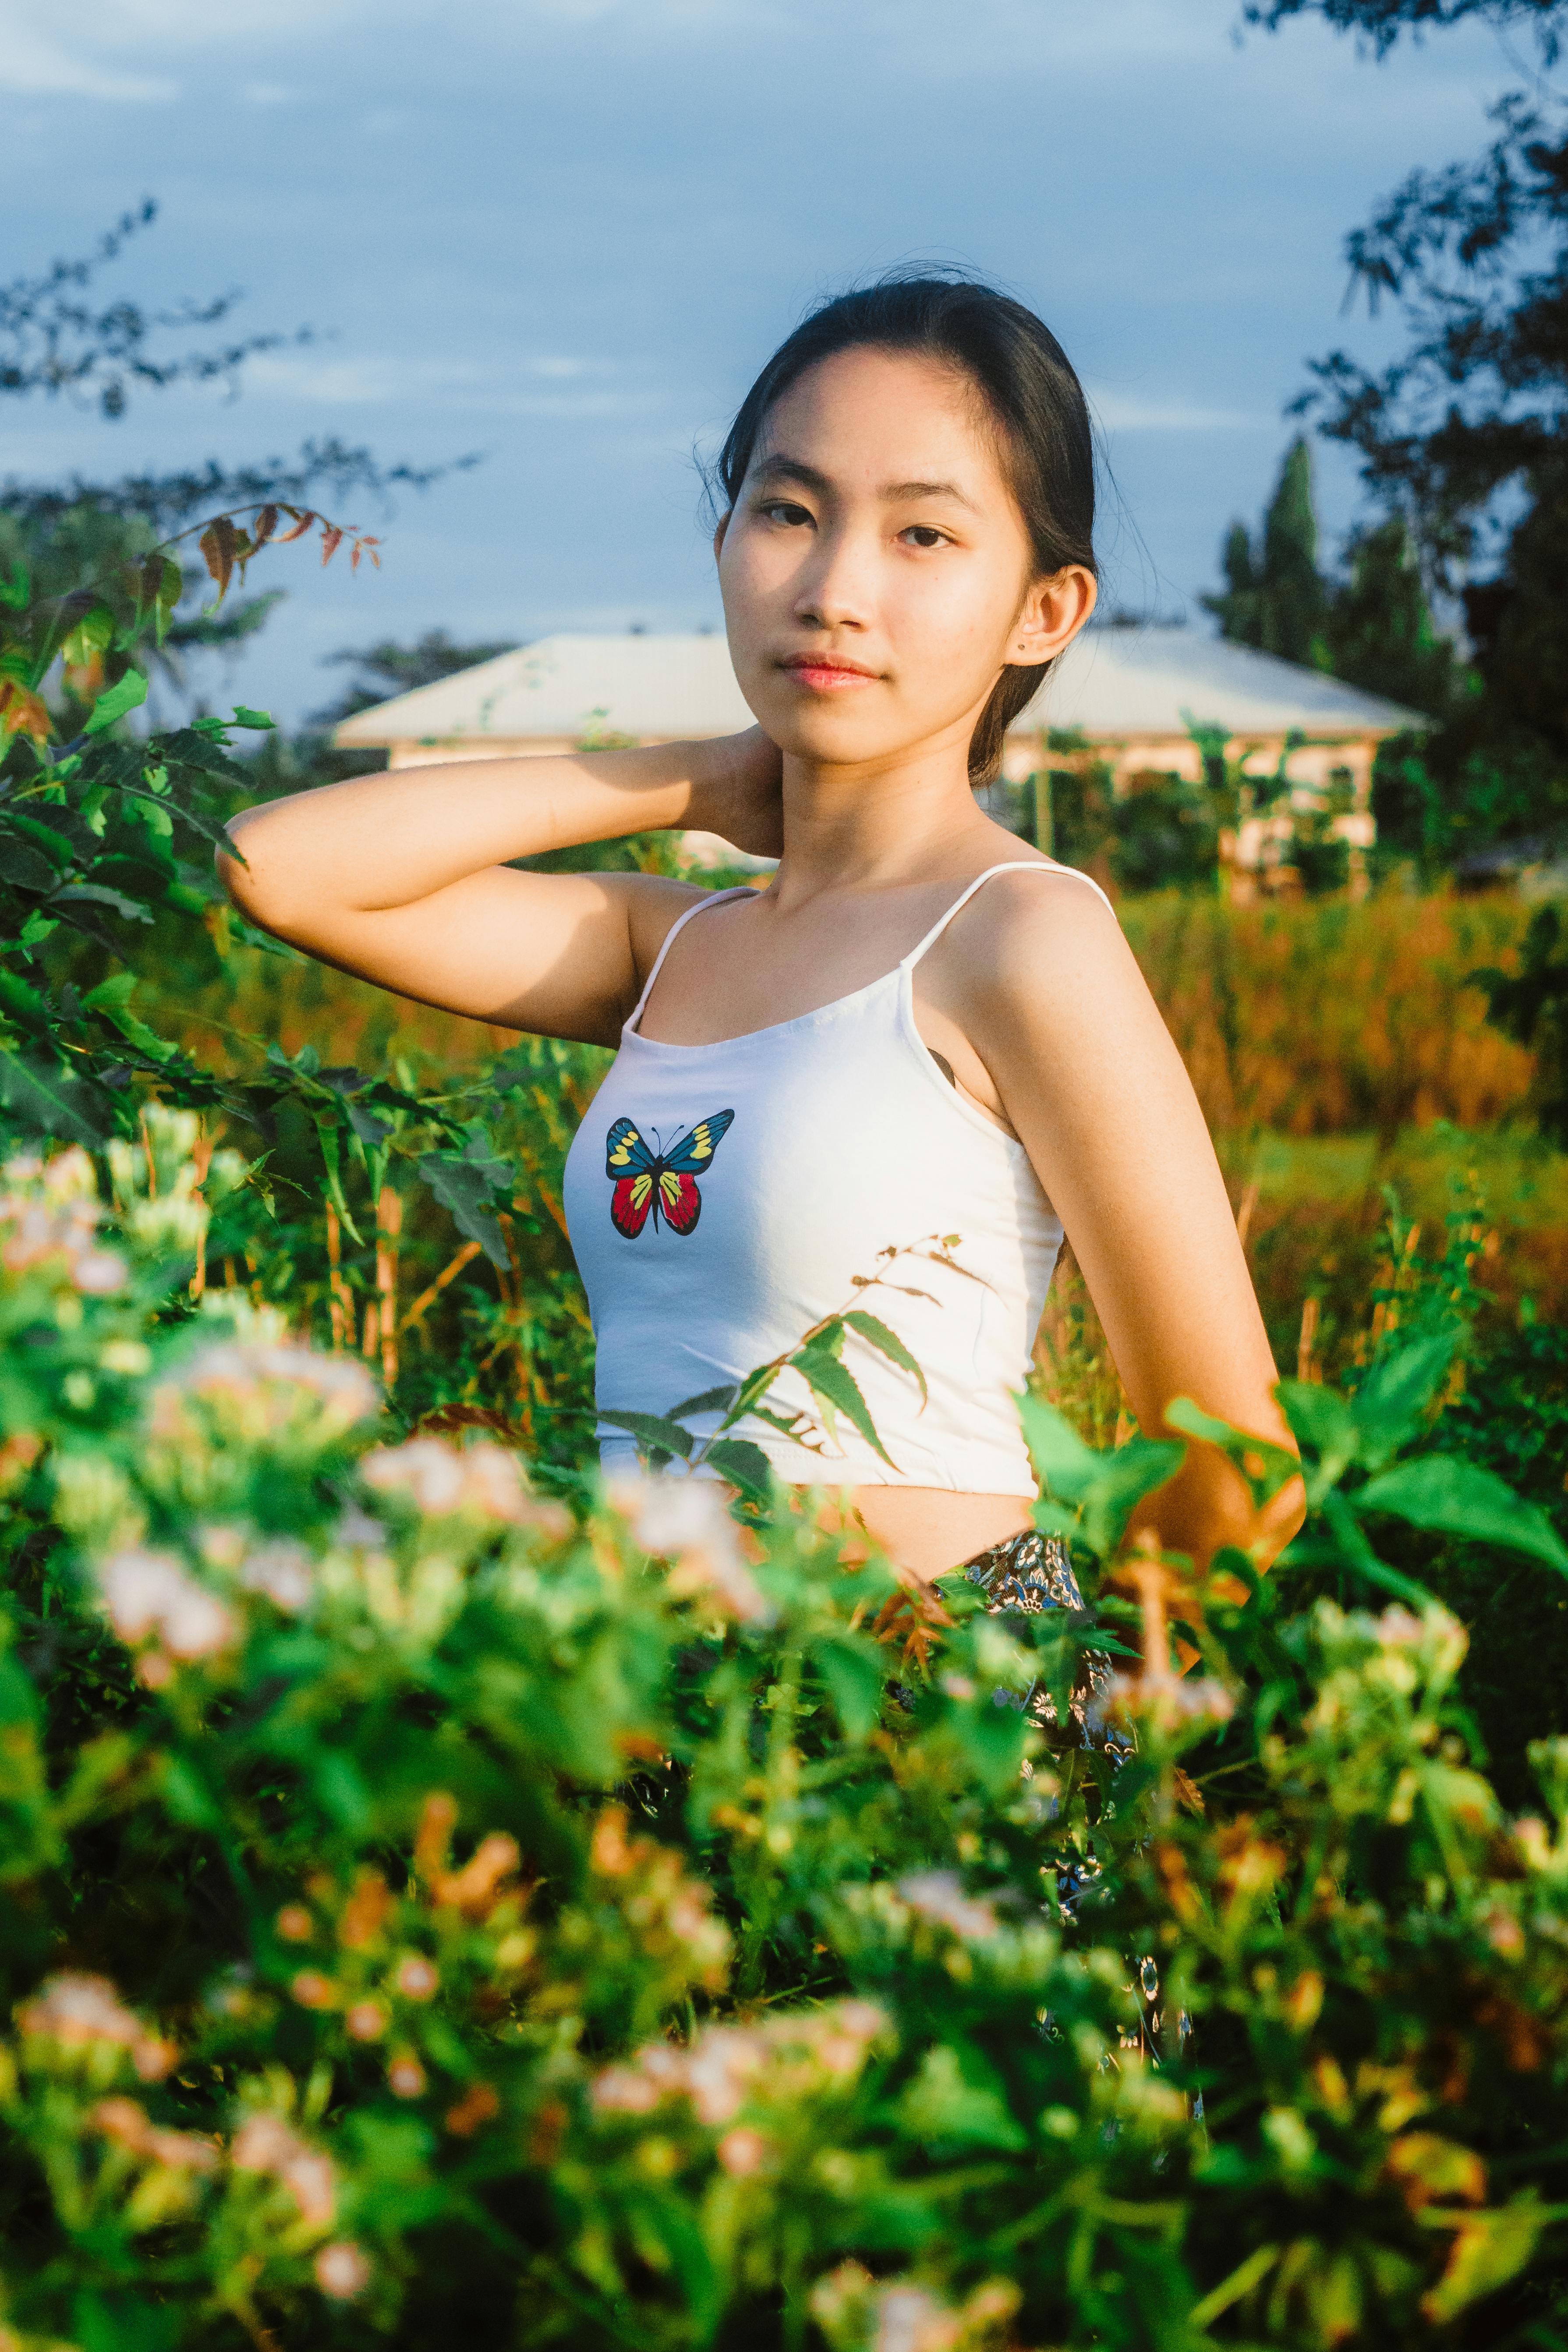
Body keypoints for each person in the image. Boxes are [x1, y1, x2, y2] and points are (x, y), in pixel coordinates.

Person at [221, 273, 1303, 1644]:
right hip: (643, 1712)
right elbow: (279, 867)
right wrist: (690, 777)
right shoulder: (666, 947)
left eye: (922, 534)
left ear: (1044, 609)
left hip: (919, 1715)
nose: (835, 589)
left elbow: (1233, 1463)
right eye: (787, 512)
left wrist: (1064, 1715)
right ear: (725, 536)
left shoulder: (1020, 936)